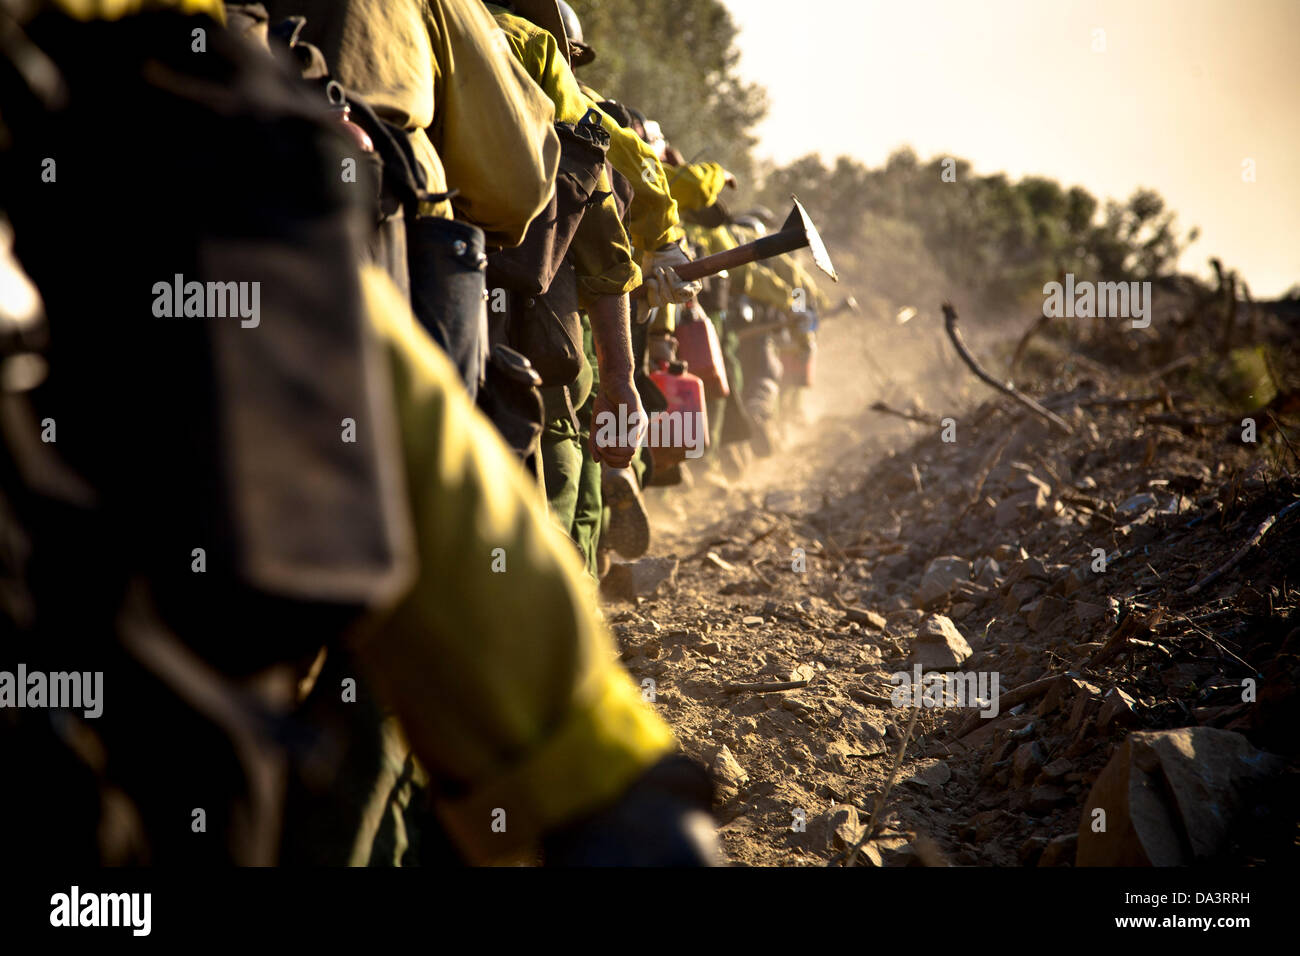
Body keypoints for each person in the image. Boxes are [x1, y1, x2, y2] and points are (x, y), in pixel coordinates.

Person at [0, 0, 718, 866]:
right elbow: (519, 186)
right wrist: (595, 778)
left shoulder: (135, 88)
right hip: (401, 282)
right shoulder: (181, 107)